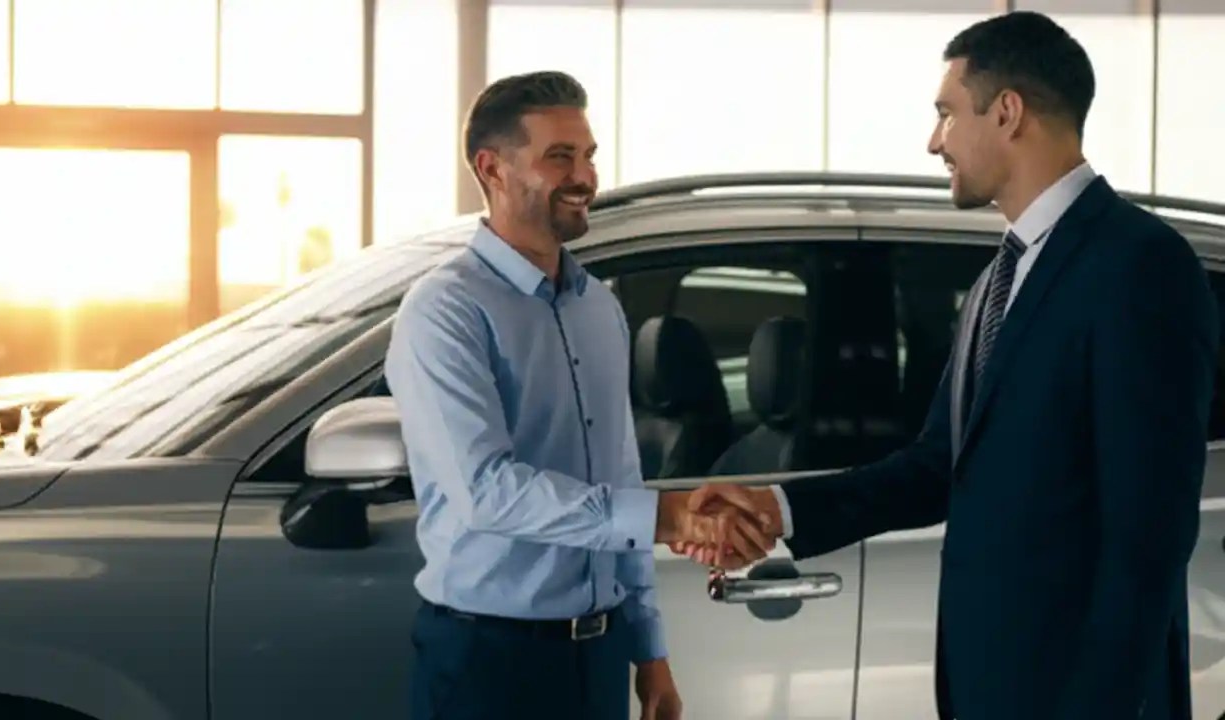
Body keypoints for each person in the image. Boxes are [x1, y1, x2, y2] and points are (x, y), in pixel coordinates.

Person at [677, 11, 1219, 720]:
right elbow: (938, 466)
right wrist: (779, 509)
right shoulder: (1000, 278)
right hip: (989, 689)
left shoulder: (1140, 266)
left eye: (945, 113)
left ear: (1007, 113)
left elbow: (1145, 540)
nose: (934, 140)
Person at [385, 70, 773, 720]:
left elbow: (619, 475)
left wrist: (649, 652)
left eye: (588, 155)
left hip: (598, 655)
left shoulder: (598, 307)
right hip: (488, 663)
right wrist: (670, 518)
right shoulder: (444, 311)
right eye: (559, 156)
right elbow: (485, 490)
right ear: (493, 168)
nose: (585, 177)